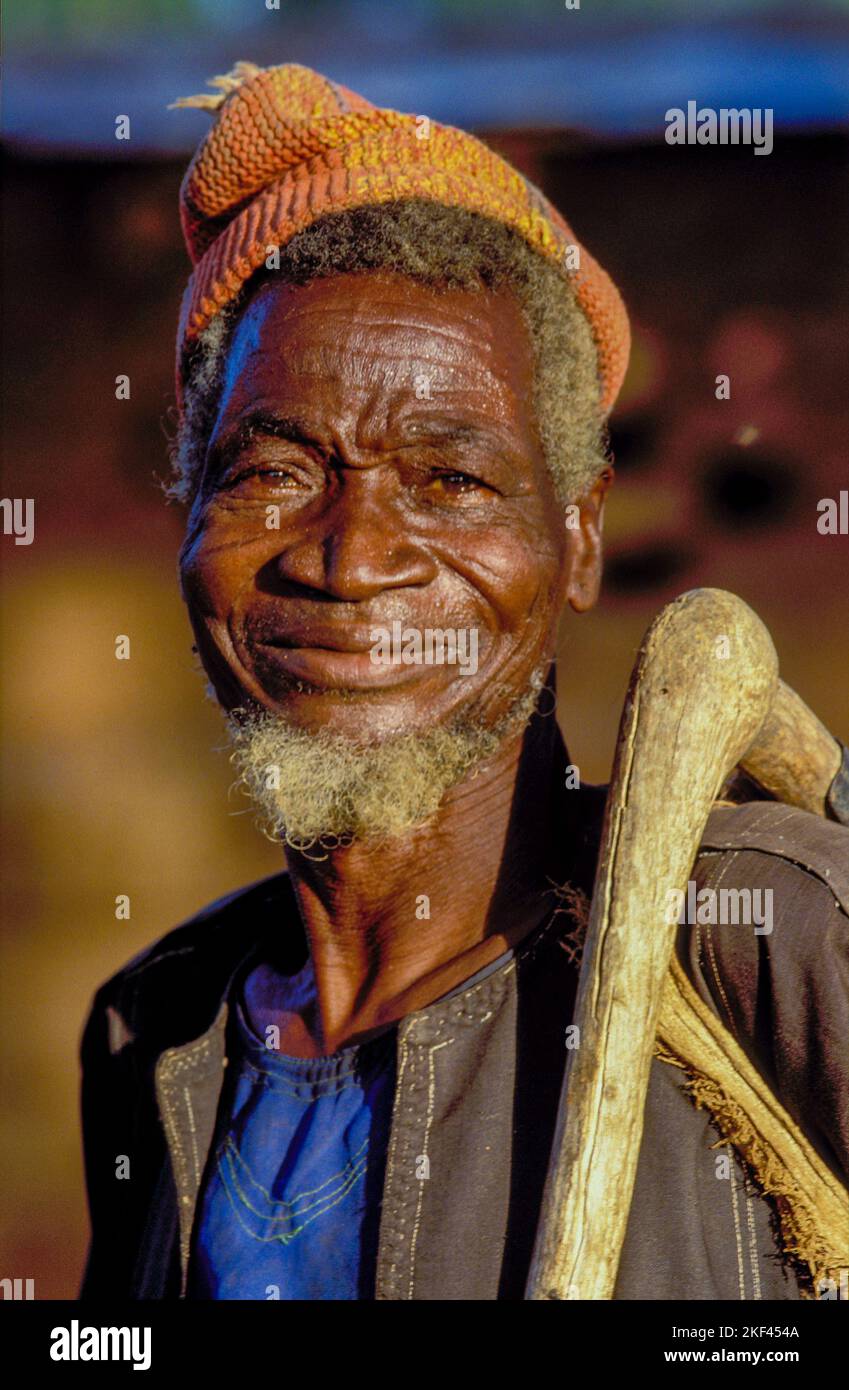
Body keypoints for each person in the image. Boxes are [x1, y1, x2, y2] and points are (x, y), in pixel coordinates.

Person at [78, 61, 849, 1301]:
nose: (348, 557)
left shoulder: (776, 940)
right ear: (189, 512)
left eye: (452, 481)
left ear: (580, 537)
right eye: (272, 469)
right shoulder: (156, 1027)